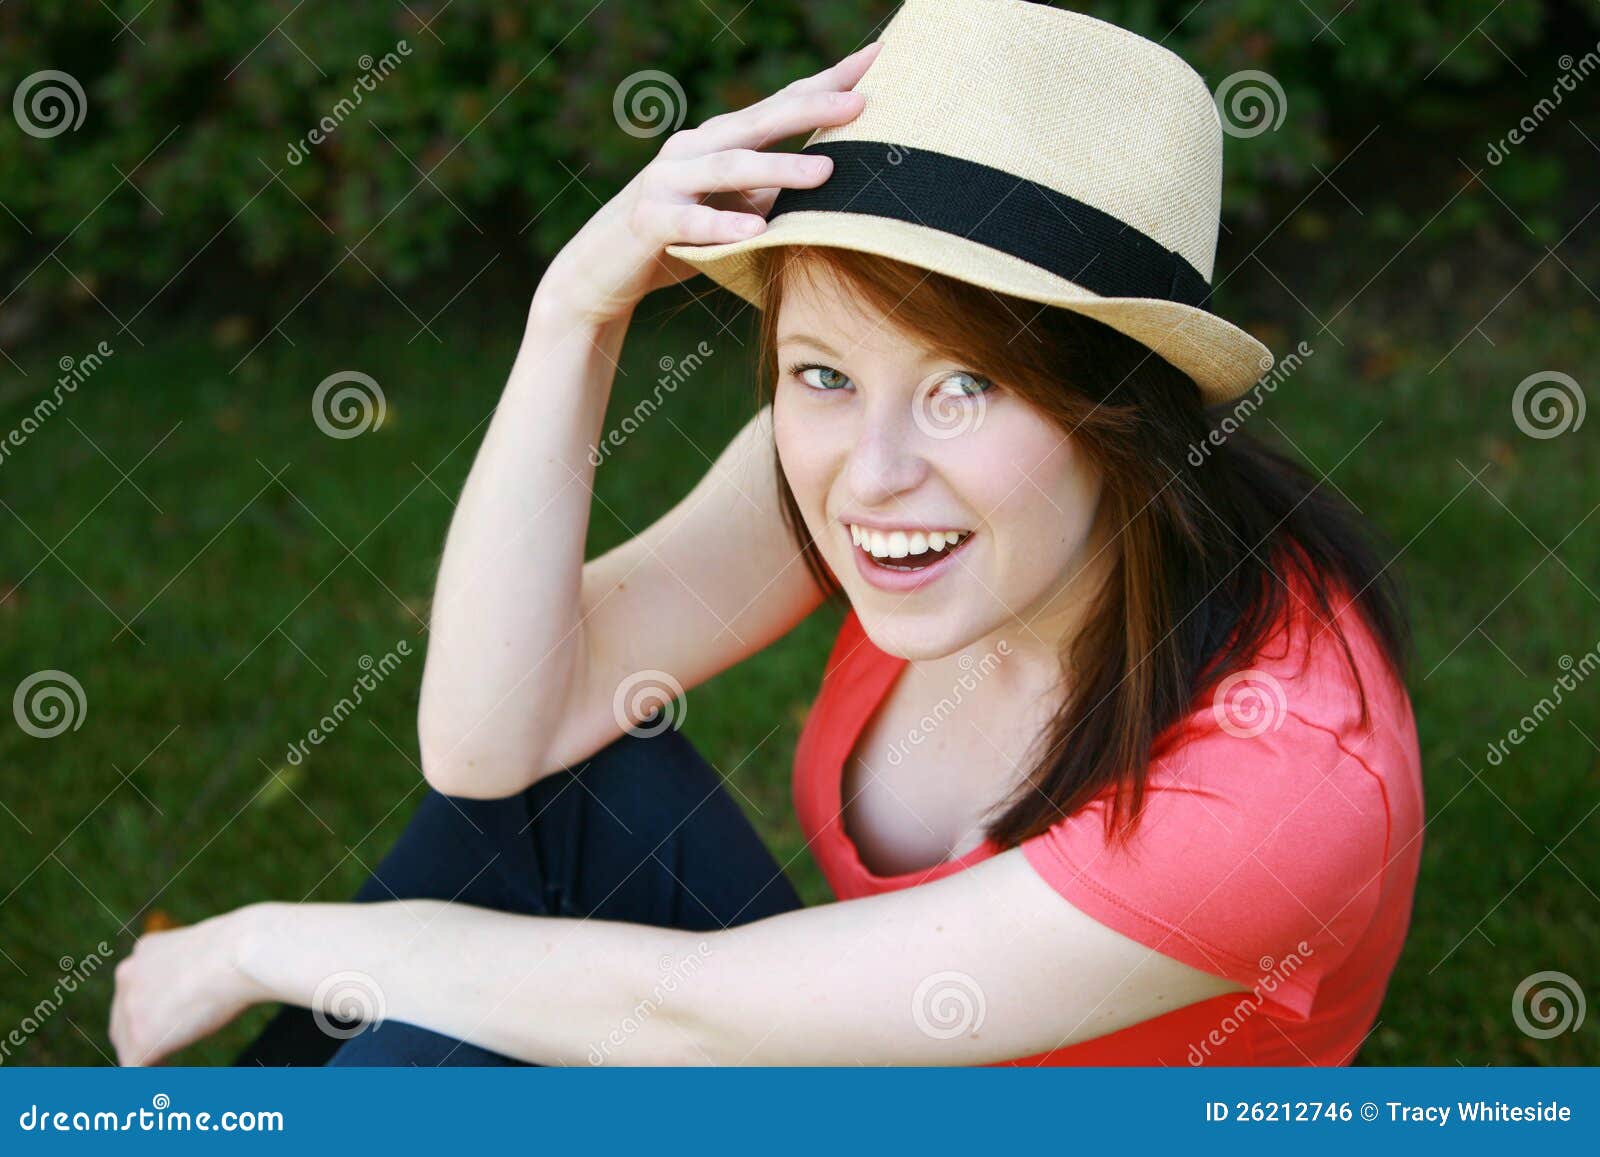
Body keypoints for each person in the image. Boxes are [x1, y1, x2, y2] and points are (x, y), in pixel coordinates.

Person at [110, 0, 1422, 1067]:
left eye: (968, 384)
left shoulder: (1284, 776)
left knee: (458, 1040)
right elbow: (492, 740)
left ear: (1120, 411)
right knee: (554, 815)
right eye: (822, 371)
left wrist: (259, 943)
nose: (876, 473)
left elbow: (696, 1019)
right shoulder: (870, 475)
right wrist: (575, 313)